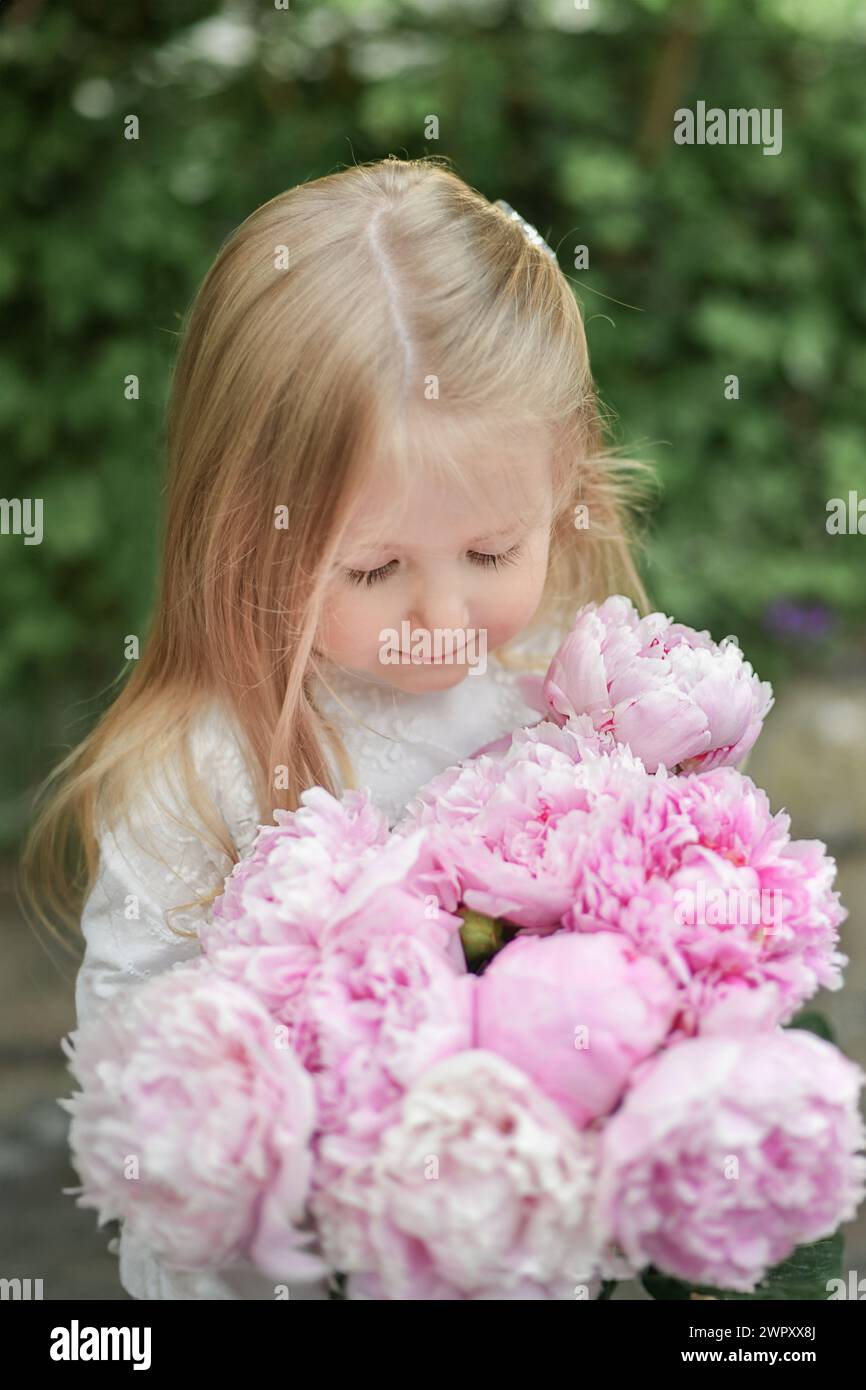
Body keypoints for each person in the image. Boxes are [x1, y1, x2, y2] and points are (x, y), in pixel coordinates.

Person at [20, 154, 650, 1299]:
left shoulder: (569, 674)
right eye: (371, 566)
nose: (446, 618)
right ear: (242, 535)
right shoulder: (196, 774)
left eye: (493, 551)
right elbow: (149, 1112)